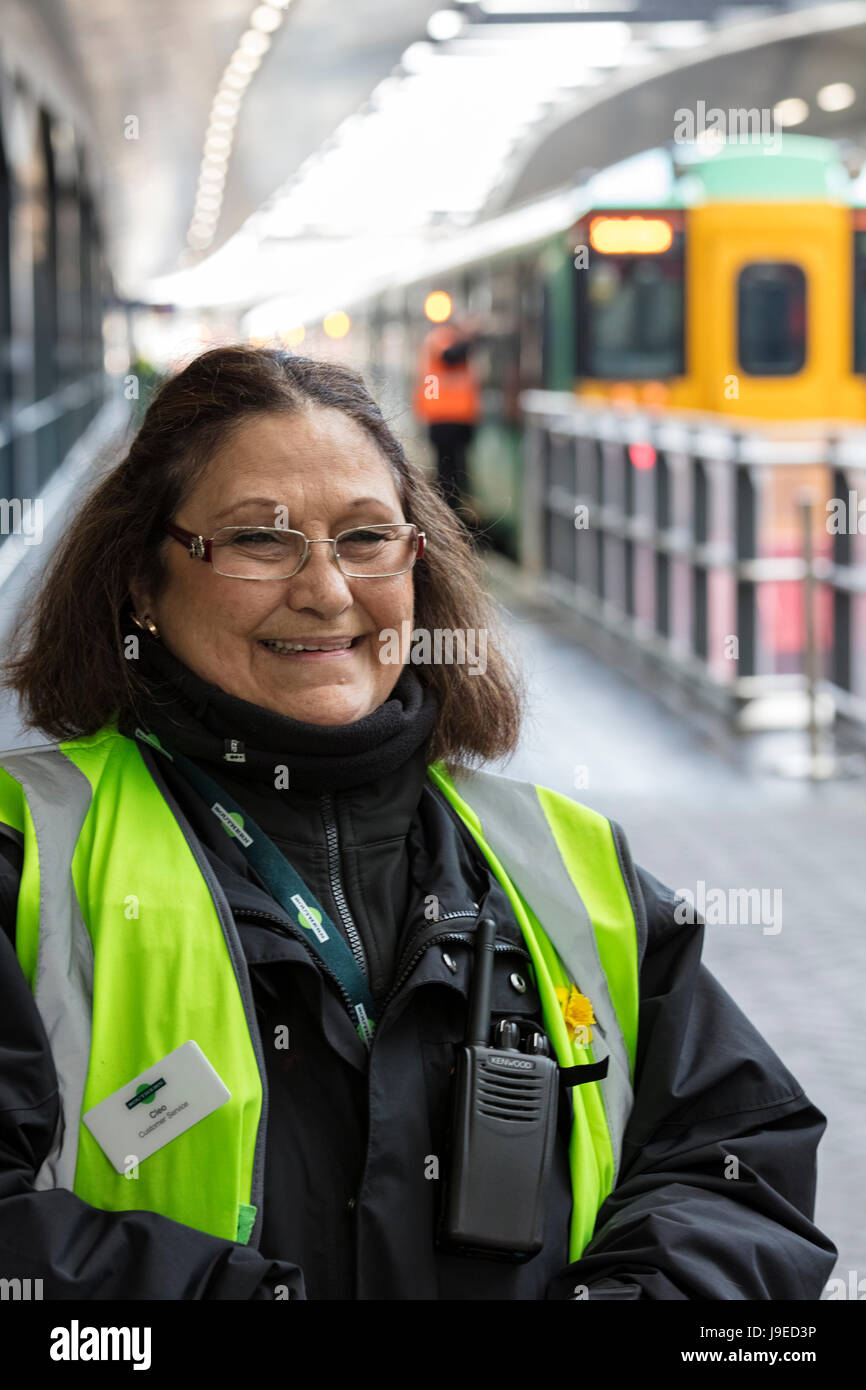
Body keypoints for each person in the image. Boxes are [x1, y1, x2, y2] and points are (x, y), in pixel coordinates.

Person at [0, 346, 837, 1300]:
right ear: (142, 585)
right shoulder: (27, 855)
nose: (326, 591)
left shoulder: (566, 864)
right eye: (259, 542)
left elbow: (737, 1162)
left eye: (365, 538)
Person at [412, 318, 481, 514]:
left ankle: (457, 508)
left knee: (457, 467)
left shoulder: (447, 338)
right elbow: (450, 356)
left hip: (460, 417)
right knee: (447, 468)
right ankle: (451, 511)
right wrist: (469, 338)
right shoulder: (440, 337)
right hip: (442, 416)